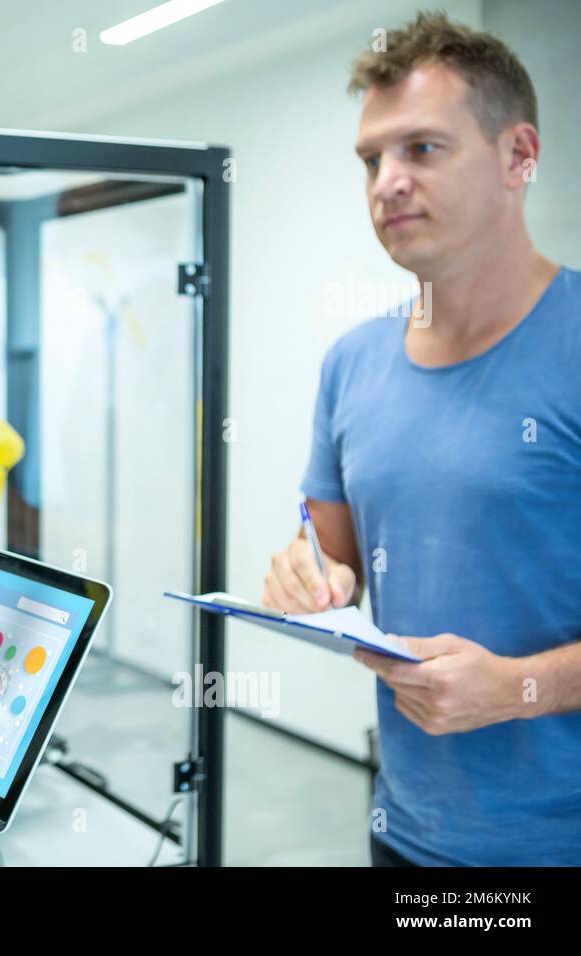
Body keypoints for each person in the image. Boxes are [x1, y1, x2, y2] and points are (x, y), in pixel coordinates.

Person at [261, 12, 581, 866]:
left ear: (520, 156)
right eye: (372, 159)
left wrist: (519, 688)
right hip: (405, 833)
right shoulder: (352, 362)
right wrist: (306, 571)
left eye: (422, 150)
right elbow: (333, 557)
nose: (386, 183)